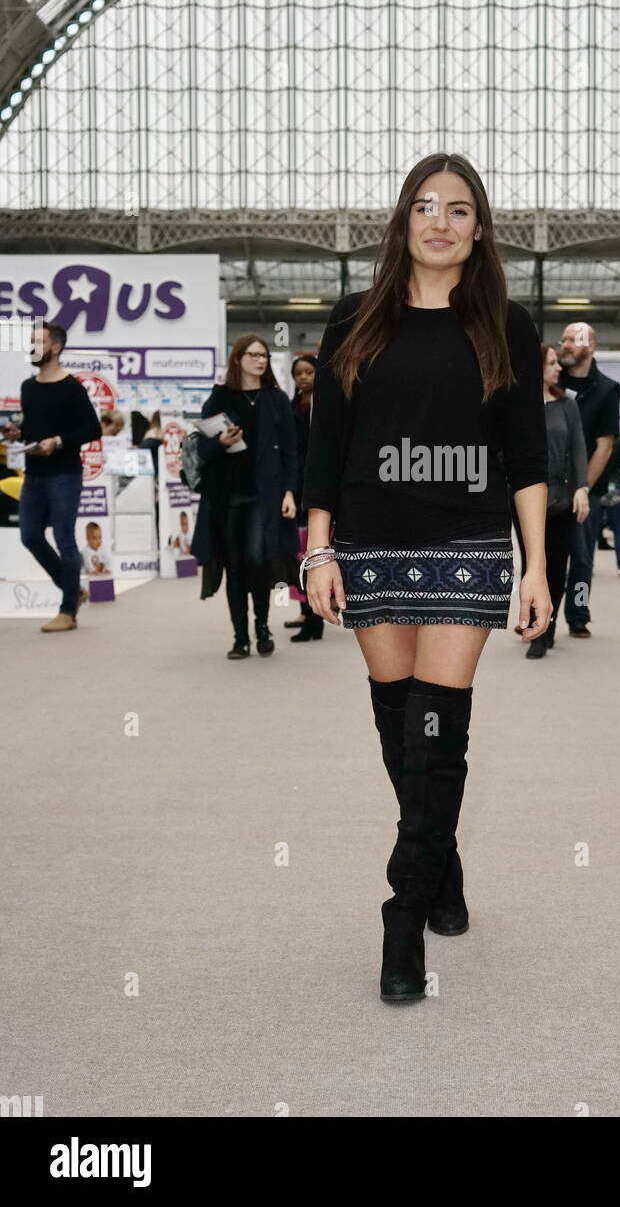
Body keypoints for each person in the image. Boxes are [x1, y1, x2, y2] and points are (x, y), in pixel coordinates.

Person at [301, 152, 550, 1003]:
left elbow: (525, 458)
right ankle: (440, 864)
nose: (439, 222)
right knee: (397, 729)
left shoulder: (507, 326)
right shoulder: (353, 320)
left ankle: (400, 915)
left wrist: (536, 570)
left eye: (457, 209)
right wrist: (318, 550)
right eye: (423, 207)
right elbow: (325, 446)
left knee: (440, 736)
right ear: (402, 223)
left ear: (478, 230)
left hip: (469, 546)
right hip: (370, 543)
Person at [190, 334, 300, 658]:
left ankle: (262, 626)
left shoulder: (276, 398)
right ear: (237, 359)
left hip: (263, 496)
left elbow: (291, 451)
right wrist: (221, 441)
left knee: (257, 560)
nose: (260, 360)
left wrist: (291, 491)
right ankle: (241, 637)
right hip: (225, 496)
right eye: (252, 354)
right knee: (234, 566)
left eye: (263, 355)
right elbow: (200, 449)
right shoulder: (220, 397)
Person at [19, 321, 101, 632]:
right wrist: (18, 432)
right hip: (34, 472)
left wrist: (60, 441)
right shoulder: (28, 387)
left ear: (55, 347)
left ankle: (68, 610)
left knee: (64, 538)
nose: (31, 346)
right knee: (29, 535)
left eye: (37, 341)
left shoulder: (72, 388)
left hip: (65, 473)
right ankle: (72, 590)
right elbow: (33, 427)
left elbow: (92, 429)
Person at [512, 343, 589, 659]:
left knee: (557, 566)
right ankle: (533, 625)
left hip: (561, 500)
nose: (559, 368)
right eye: (553, 362)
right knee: (532, 563)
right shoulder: (517, 404)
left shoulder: (566, 404)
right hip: (525, 500)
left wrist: (582, 487)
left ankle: (547, 627)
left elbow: (578, 447)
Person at [556, 321, 620, 639]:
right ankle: (539, 617)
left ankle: (578, 614)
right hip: (550, 485)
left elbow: (604, 445)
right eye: (563, 339)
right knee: (543, 556)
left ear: (590, 346)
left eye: (573, 339)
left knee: (582, 559)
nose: (565, 344)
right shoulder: (550, 381)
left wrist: (582, 486)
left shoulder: (607, 389)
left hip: (588, 488)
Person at [283, 353, 325, 643]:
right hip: (295, 485)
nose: (304, 377)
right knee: (297, 551)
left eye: (309, 372)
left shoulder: (325, 405)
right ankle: (304, 609)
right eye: (299, 373)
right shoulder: (291, 406)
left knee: (315, 551)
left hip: (318, 484)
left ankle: (316, 617)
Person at [597, 435, 620, 577]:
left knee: (589, 531)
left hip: (596, 486)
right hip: (615, 487)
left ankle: (587, 566)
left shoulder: (595, 438)